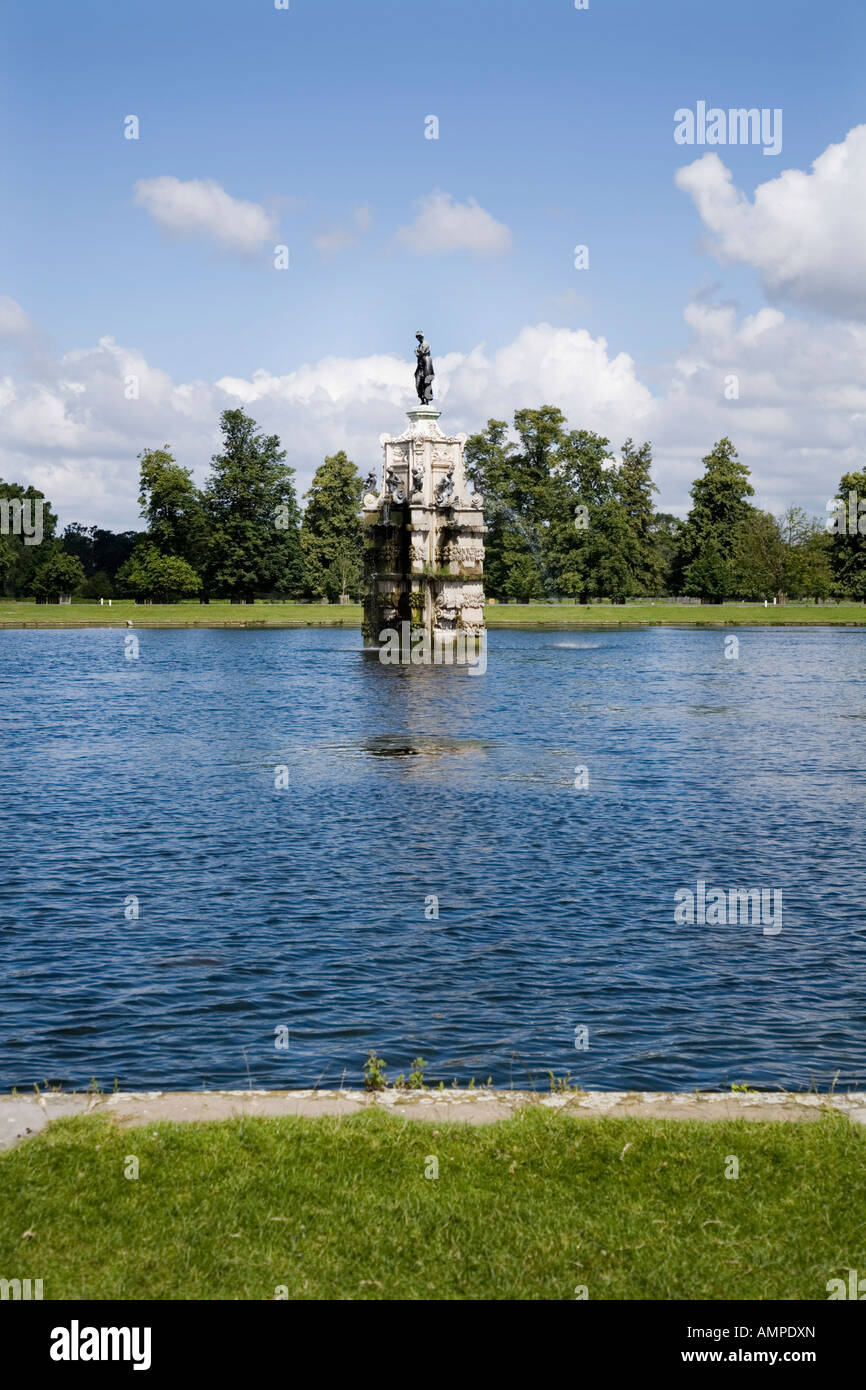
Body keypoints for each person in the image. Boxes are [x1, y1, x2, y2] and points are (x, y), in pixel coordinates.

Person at [415, 332, 434, 403]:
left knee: (426, 383)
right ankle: (422, 398)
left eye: (419, 336)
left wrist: (418, 352)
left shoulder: (425, 344)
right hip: (420, 367)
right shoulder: (419, 345)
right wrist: (418, 352)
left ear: (422, 336)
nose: (418, 338)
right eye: (417, 337)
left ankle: (427, 399)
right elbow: (417, 354)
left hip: (426, 367)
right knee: (418, 384)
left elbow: (420, 353)